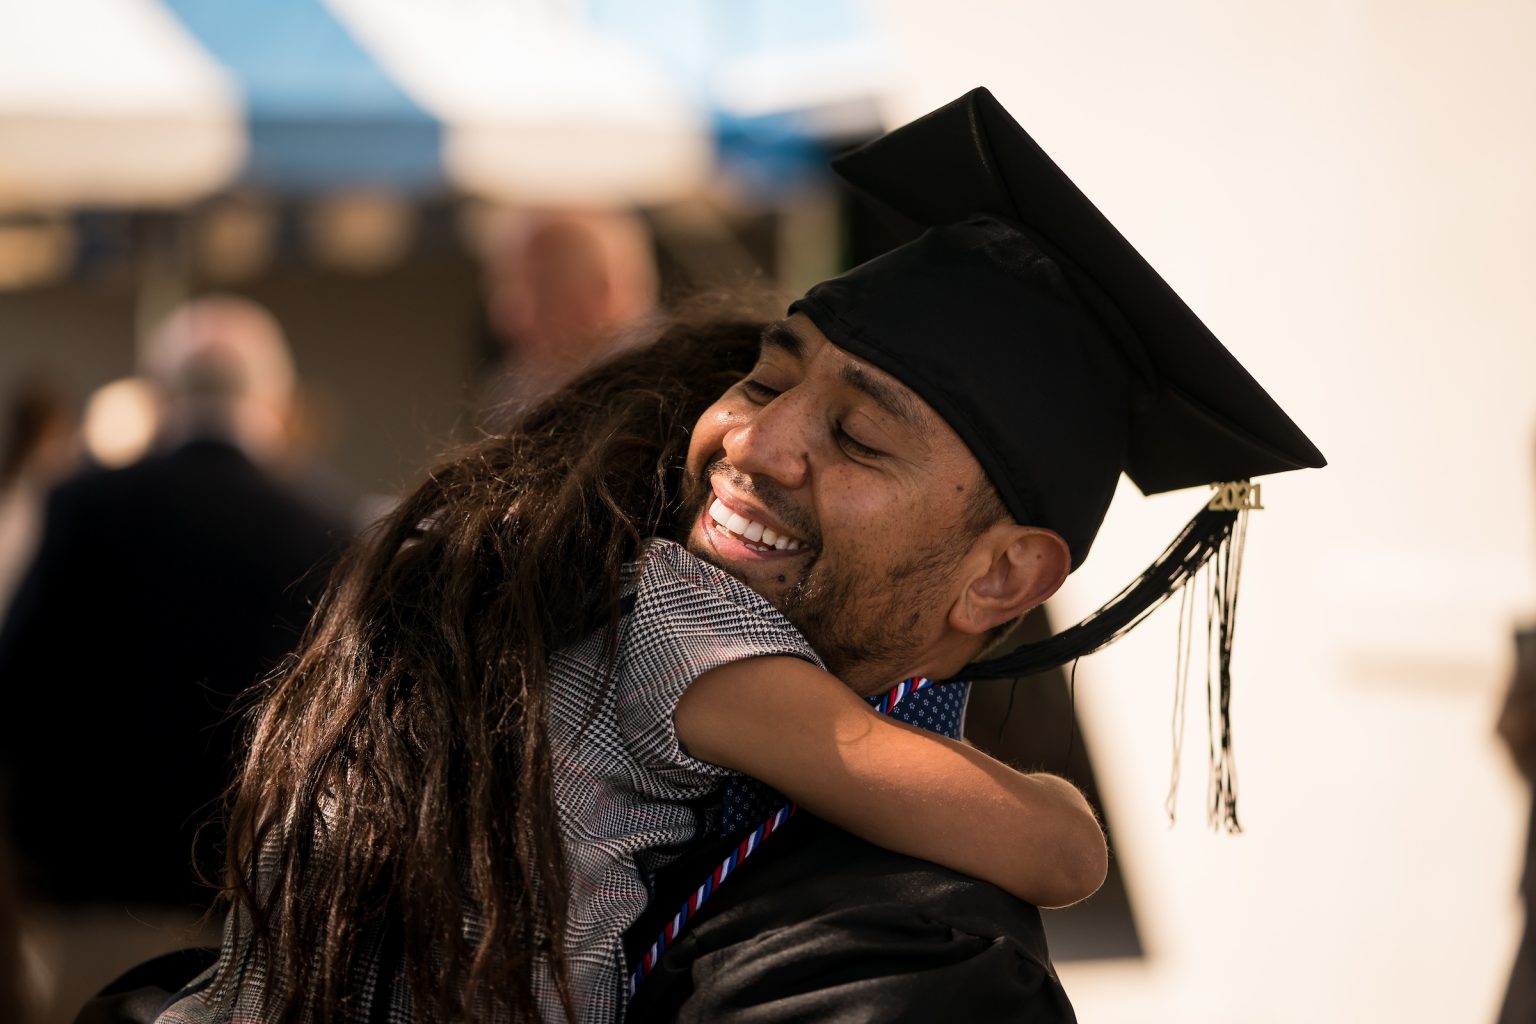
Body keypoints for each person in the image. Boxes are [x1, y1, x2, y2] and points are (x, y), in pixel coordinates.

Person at [0, 295, 351, 1023]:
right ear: (275, 403)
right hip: (256, 911)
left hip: (95, 897)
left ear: (160, 399)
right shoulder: (326, 530)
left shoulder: (82, 506)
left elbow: (16, 685)